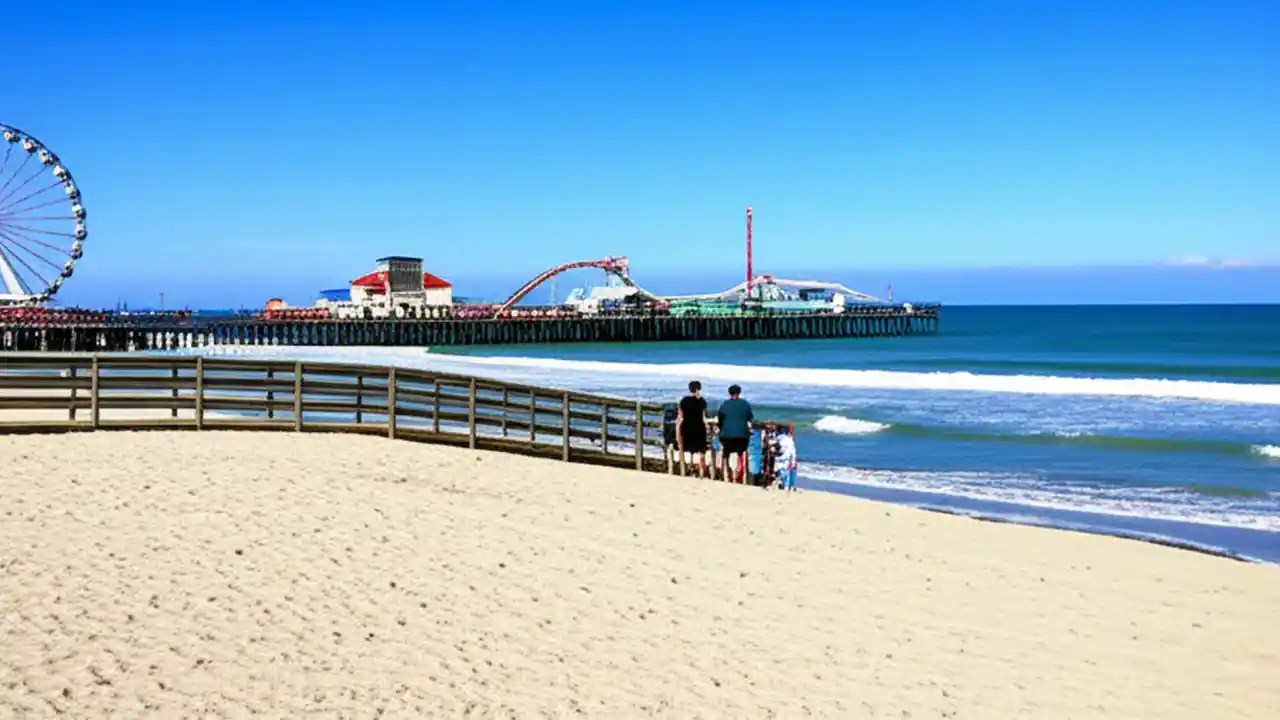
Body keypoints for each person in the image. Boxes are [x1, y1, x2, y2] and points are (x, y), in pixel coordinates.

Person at [716, 384, 754, 484]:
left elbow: (720, 420)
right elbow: (750, 418)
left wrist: (721, 428)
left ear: (730, 393)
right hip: (742, 436)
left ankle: (727, 474)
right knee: (741, 453)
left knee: (726, 453)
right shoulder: (745, 404)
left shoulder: (724, 404)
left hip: (726, 435)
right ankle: (740, 473)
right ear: (739, 393)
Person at [675, 380, 709, 477]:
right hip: (699, 428)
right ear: (699, 389)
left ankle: (689, 467)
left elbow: (680, 416)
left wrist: (678, 428)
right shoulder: (702, 401)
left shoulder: (684, 400)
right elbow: (704, 417)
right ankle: (701, 470)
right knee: (701, 450)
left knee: (689, 449)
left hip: (687, 427)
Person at [775, 424, 798, 492]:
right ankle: (790, 485)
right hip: (786, 458)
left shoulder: (780, 439)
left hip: (781, 458)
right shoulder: (789, 440)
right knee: (788, 469)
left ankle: (785, 484)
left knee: (783, 470)